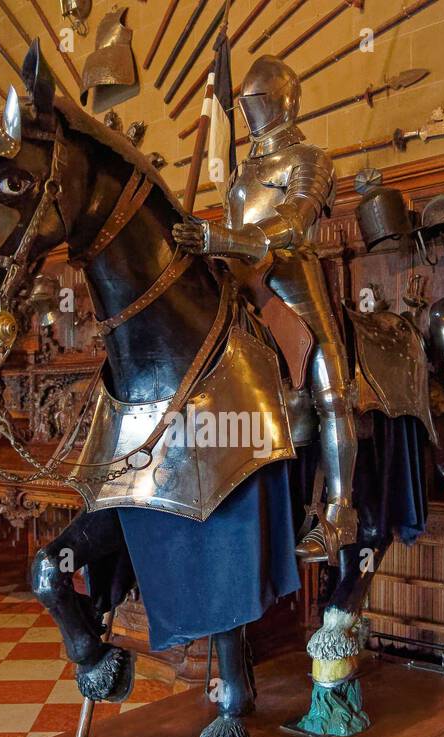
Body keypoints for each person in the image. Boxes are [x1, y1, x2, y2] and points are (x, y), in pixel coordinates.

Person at [173, 55, 358, 558]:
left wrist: (223, 237)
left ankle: (340, 513)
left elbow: (297, 223)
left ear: (284, 102)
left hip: (294, 285)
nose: (251, 110)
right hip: (244, 288)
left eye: (259, 101)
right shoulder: (241, 171)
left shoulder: (309, 159)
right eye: (246, 104)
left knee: (330, 391)